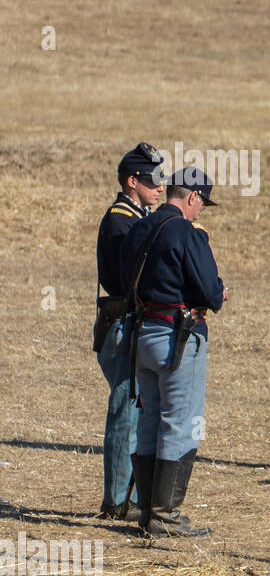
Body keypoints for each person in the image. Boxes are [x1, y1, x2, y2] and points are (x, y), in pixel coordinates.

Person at [120, 166, 227, 539]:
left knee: (150, 421)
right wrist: (220, 292)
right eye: (202, 204)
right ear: (192, 197)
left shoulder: (139, 226)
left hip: (142, 334)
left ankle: (147, 510)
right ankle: (165, 516)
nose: (201, 211)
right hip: (177, 337)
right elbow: (210, 293)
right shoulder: (186, 231)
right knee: (179, 424)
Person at [94, 143, 165, 519]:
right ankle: (117, 501)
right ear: (132, 181)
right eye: (152, 180)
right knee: (125, 411)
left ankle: (125, 497)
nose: (159, 186)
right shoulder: (122, 220)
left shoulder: (136, 215)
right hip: (121, 323)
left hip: (129, 322)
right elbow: (127, 278)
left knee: (134, 410)